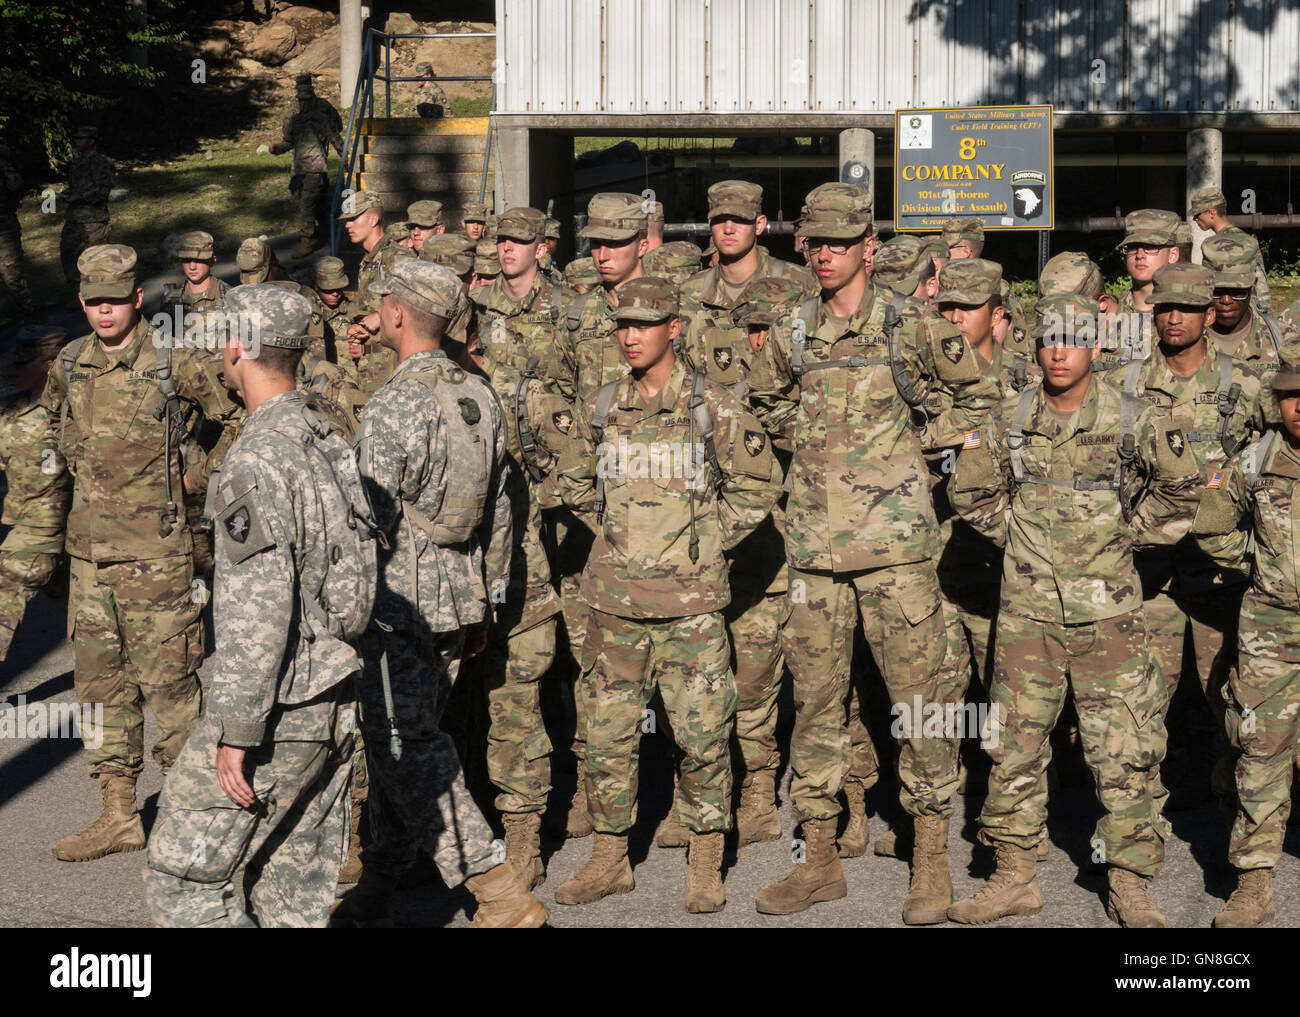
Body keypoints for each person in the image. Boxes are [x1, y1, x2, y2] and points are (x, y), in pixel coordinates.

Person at [747, 183, 998, 922]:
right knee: (818, 710)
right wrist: (819, 449)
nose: (822, 253)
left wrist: (920, 447)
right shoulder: (794, 332)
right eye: (813, 243)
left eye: (835, 241)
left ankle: (931, 857)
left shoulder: (914, 328)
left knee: (923, 709)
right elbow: (763, 405)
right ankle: (818, 858)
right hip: (817, 555)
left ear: (866, 244)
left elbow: (977, 400)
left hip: (898, 556)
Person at [945, 294, 1200, 928]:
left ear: (1094, 347)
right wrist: (1019, 539)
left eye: (1073, 339)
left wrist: (1128, 534)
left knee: (1125, 749)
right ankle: (1014, 876)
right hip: (1029, 615)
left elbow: (1184, 486)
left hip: (1108, 615)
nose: (1059, 351)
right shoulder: (1010, 417)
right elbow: (970, 487)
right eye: (1049, 339)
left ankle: (1129, 882)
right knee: (1013, 745)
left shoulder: (1135, 417)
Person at [552, 277, 781, 912]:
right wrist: (621, 538)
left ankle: (706, 861)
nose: (630, 335)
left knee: (703, 736)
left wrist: (704, 541)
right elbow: (574, 482)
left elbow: (760, 485)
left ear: (674, 329)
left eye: (644, 324)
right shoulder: (601, 407)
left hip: (691, 611)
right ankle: (609, 858)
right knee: (605, 736)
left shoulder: (714, 408)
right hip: (614, 605)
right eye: (622, 323)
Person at [143, 284, 370, 926]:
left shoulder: (259, 457)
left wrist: (237, 732)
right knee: (290, 895)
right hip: (332, 692)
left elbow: (257, 604)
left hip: (280, 704)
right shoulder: (324, 434)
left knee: (182, 881)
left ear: (238, 345)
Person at [331, 258, 547, 928]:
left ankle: (497, 888)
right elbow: (501, 512)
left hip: (399, 603)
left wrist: (345, 604)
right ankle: (379, 881)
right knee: (404, 740)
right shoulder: (479, 393)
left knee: (408, 744)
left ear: (398, 313)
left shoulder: (395, 400)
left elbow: (367, 517)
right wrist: (486, 597)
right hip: (460, 596)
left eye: (384, 303)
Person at [41, 244, 233, 862]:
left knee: (172, 691)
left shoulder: (175, 361)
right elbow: (45, 442)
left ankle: (193, 820)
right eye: (93, 302)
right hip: (88, 559)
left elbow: (240, 418)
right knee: (100, 691)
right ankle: (119, 814)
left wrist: (195, 481)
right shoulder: (70, 363)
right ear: (81, 302)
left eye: (114, 300)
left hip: (158, 559)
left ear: (136, 298)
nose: (103, 312)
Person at [1120, 264, 1269, 811]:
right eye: (1164, 308)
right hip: (1149, 565)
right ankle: (1141, 802)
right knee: (1143, 691)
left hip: (1221, 566)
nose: (1174, 318)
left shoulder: (1244, 385)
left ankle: (1239, 786)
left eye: (1186, 308)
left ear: (1210, 315)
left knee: (1228, 686)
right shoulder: (1126, 384)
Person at [1190, 339, 1300, 926]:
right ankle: (1253, 881)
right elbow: (1213, 527)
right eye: (1290, 395)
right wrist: (1257, 564)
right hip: (1271, 628)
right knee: (1259, 748)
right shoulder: (1253, 459)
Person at [0, 325, 71, 660]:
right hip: (36, 529)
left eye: (22, 362)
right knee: (88, 613)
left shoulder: (75, 409)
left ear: (47, 364)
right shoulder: (10, 413)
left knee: (4, 591)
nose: (13, 369)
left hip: (47, 531)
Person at [339, 190, 414, 397]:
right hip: (372, 361)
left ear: (373, 219)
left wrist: (378, 317)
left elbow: (417, 300)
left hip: (392, 365)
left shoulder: (394, 256)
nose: (347, 225)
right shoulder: (370, 259)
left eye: (353, 219)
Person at [475, 207, 563, 372]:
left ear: (540, 251)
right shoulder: (477, 304)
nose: (507, 246)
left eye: (518, 239)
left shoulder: (565, 306)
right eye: (502, 239)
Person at [270, 74, 343, 259]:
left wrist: (346, 159)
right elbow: (288, 141)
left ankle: (306, 242)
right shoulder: (295, 120)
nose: (303, 104)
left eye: (307, 100)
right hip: (299, 168)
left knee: (307, 205)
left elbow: (335, 137)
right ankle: (331, 232)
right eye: (301, 100)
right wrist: (276, 149)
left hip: (315, 167)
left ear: (312, 99)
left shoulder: (320, 117)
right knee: (318, 202)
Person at [1201, 233, 1285, 365]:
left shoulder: (1282, 339)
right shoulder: (1181, 336)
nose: (1226, 300)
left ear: (1253, 286)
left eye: (1237, 292)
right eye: (1216, 291)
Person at [1190, 185, 1271, 314]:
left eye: (1197, 214)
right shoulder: (1246, 239)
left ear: (1211, 212)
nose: (1195, 220)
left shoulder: (1214, 246)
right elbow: (1262, 289)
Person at [60, 126, 114, 286]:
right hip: (74, 218)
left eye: (80, 138)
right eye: (76, 138)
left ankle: (103, 293)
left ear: (91, 142)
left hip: (93, 219)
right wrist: (66, 194)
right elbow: (76, 186)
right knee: (68, 254)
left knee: (96, 259)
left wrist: (80, 196)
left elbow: (103, 189)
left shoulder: (99, 161)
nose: (76, 141)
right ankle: (79, 293)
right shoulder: (76, 163)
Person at [1116, 209, 1180, 312]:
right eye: (1133, 246)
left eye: (1151, 247)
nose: (1139, 255)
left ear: (1172, 255)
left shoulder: (1184, 315)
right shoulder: (1109, 310)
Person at [159, 231, 229, 318]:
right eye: (187, 260)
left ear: (212, 261)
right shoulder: (171, 300)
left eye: (199, 260)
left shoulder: (230, 296)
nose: (192, 267)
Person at [0, 141, 33, 314]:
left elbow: (16, 185)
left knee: (12, 273)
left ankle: (28, 313)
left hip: (4, 227)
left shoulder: (3, 165)